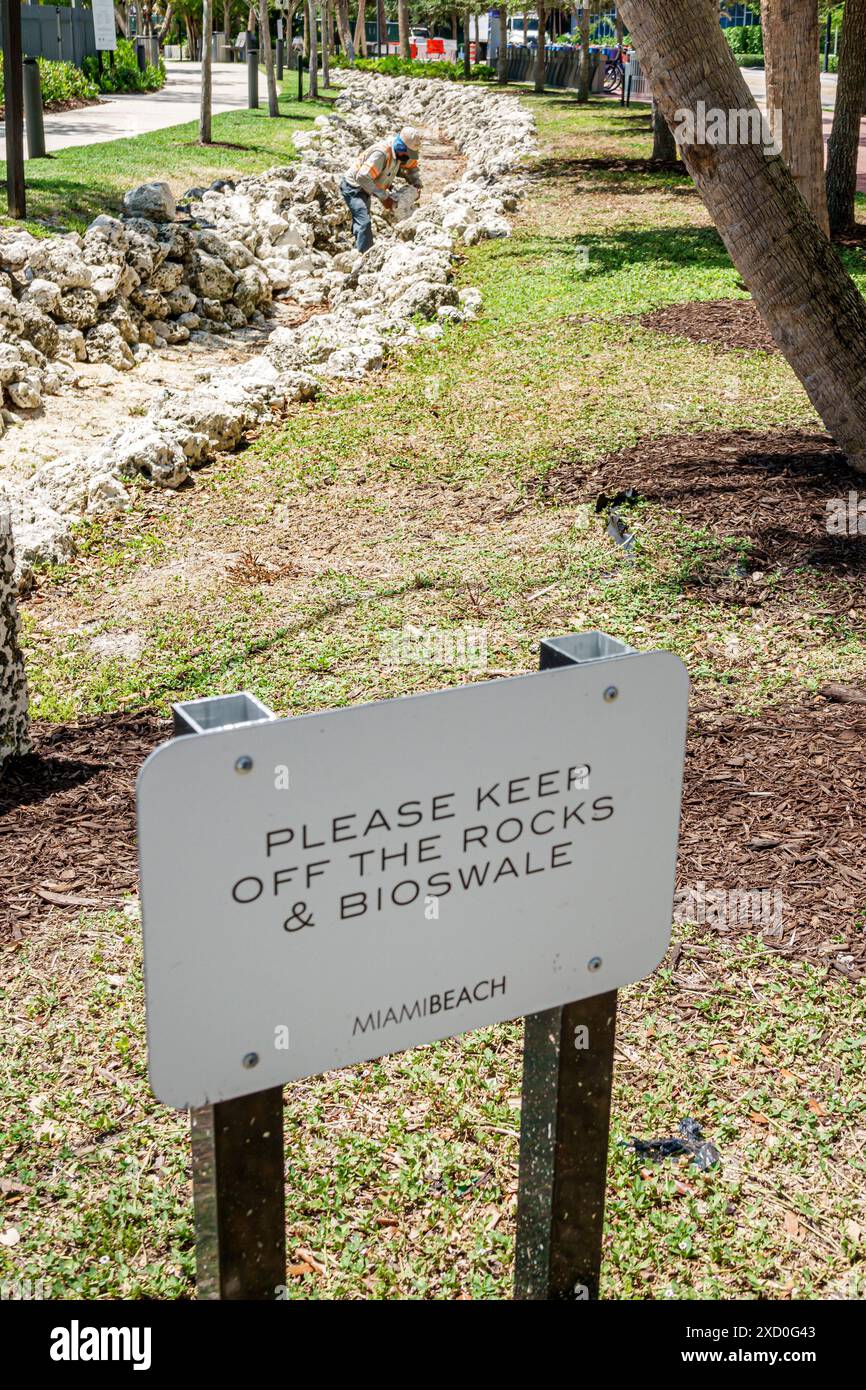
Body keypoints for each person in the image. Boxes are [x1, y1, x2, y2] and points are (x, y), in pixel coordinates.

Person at [340, 127, 423, 254]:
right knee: (364, 221)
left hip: (367, 187)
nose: (408, 158)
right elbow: (362, 177)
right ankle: (365, 256)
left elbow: (411, 167)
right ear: (400, 147)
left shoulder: (402, 153)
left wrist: (416, 183)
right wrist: (384, 197)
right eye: (407, 154)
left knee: (362, 216)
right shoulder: (381, 153)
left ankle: (356, 245)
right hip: (354, 187)